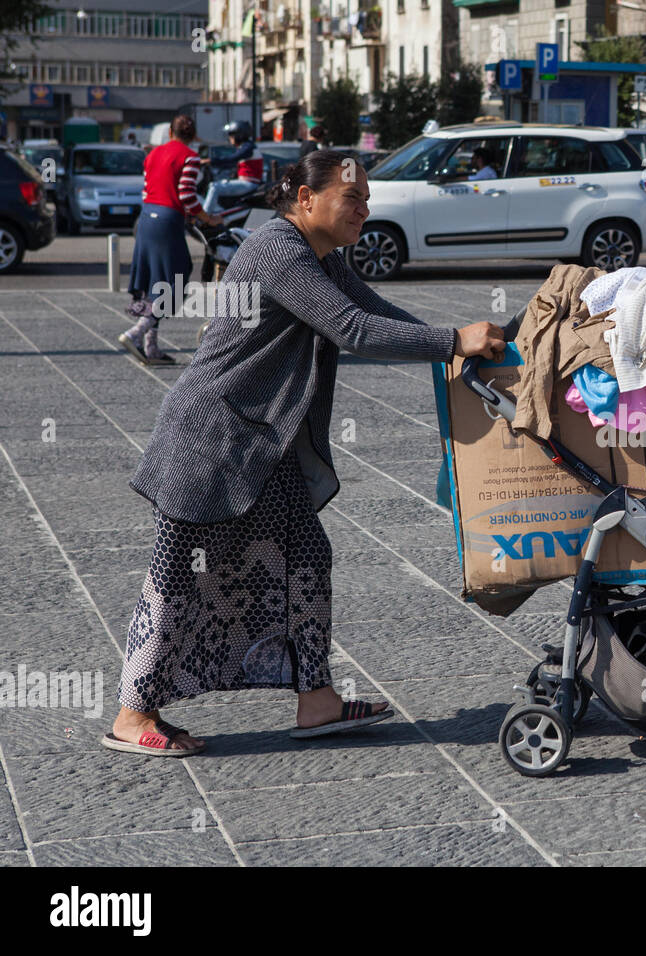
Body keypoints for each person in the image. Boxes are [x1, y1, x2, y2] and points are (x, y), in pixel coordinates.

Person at [102, 149, 506, 757]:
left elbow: (373, 309)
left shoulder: (321, 255)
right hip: (213, 441)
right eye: (354, 199)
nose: (364, 210)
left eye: (367, 199)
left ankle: (316, 700)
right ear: (306, 198)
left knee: (307, 558)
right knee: (181, 573)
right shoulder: (279, 249)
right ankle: (133, 715)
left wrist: (451, 344)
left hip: (262, 446)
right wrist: (450, 340)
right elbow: (353, 330)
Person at [119, 114, 222, 364]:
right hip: (168, 220)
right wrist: (208, 219)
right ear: (193, 136)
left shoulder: (153, 154)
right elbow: (186, 194)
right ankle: (137, 332)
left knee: (153, 278)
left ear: (169, 133)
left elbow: (147, 188)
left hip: (146, 218)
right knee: (176, 277)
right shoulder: (190, 156)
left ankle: (151, 346)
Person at [204, 120, 263, 184]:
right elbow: (231, 164)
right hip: (246, 182)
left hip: (249, 182)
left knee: (214, 187)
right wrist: (214, 165)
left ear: (239, 135)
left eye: (231, 135)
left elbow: (232, 158)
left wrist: (211, 161)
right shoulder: (244, 147)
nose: (229, 138)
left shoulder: (248, 147)